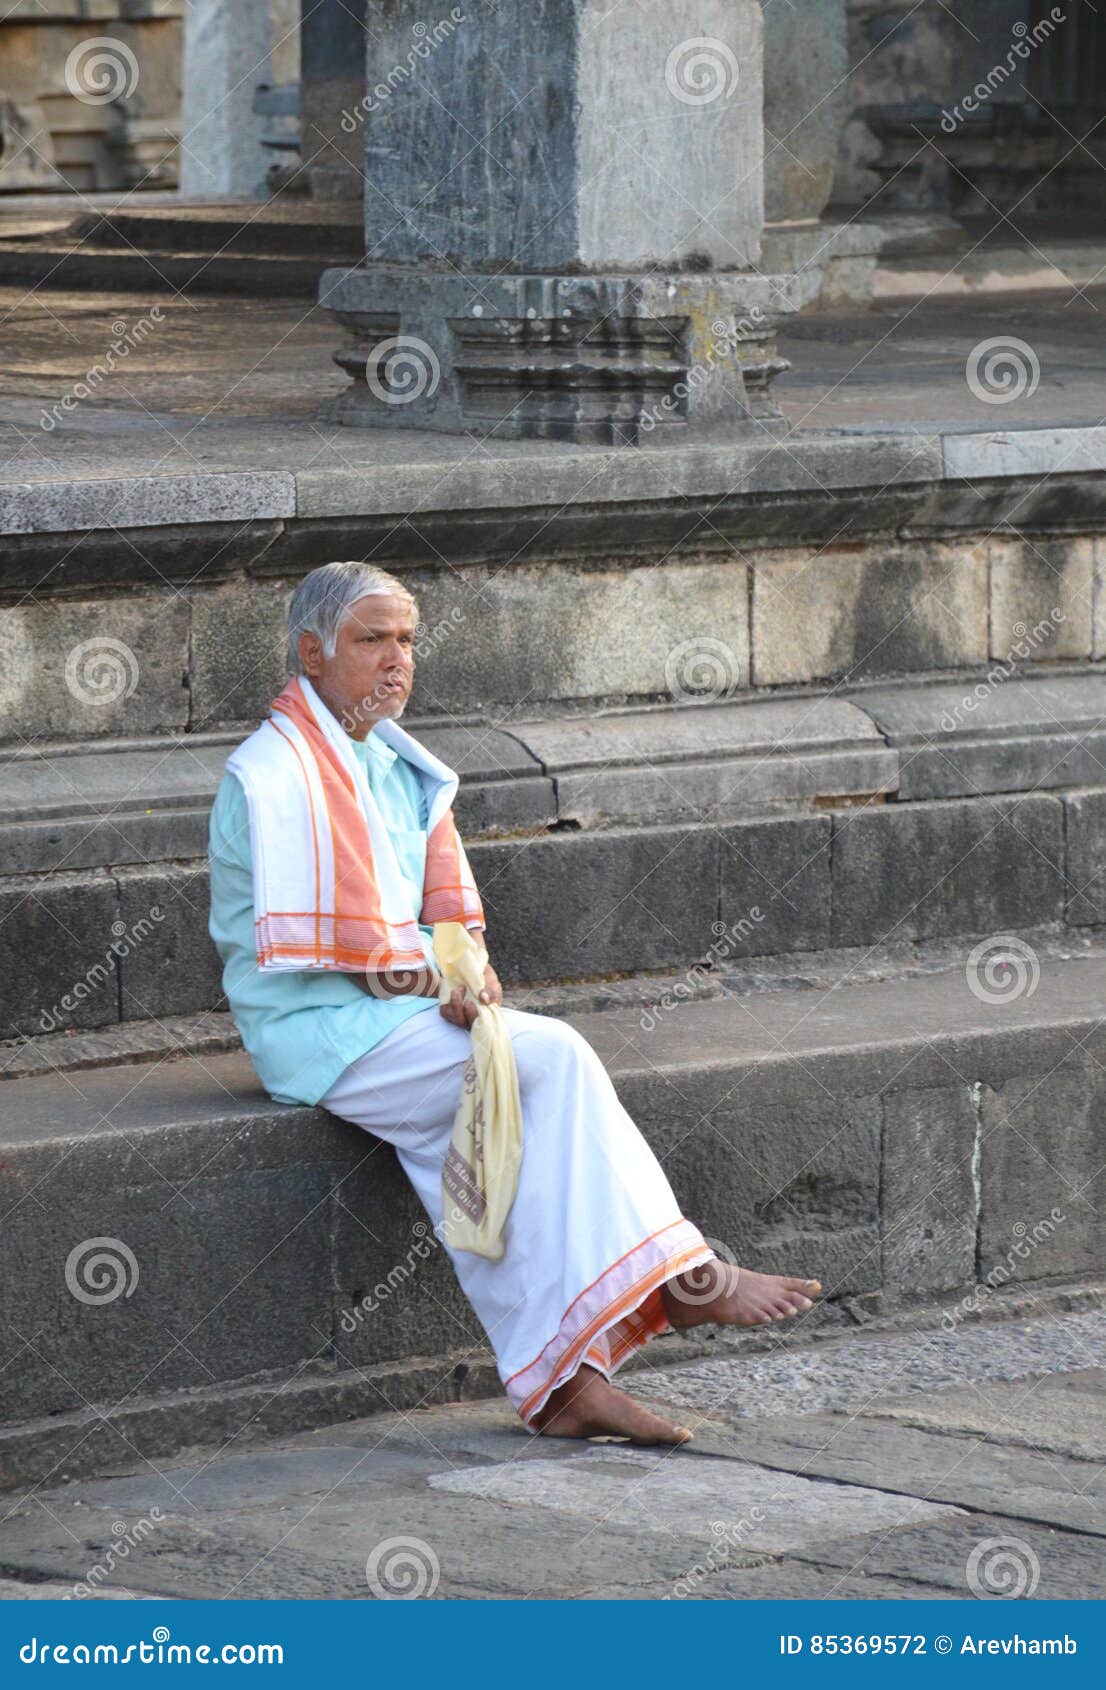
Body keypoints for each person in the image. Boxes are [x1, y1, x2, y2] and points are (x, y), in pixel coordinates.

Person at [208, 561, 820, 1444]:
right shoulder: (276, 774)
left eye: (407, 641)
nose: (397, 660)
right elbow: (334, 943)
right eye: (372, 640)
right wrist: (445, 979)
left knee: (509, 1106)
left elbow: (441, 913)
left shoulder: (390, 762)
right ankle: (679, 1286)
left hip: (392, 1011)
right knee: (547, 1058)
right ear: (312, 652)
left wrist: (468, 972)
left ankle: (571, 1382)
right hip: (318, 1028)